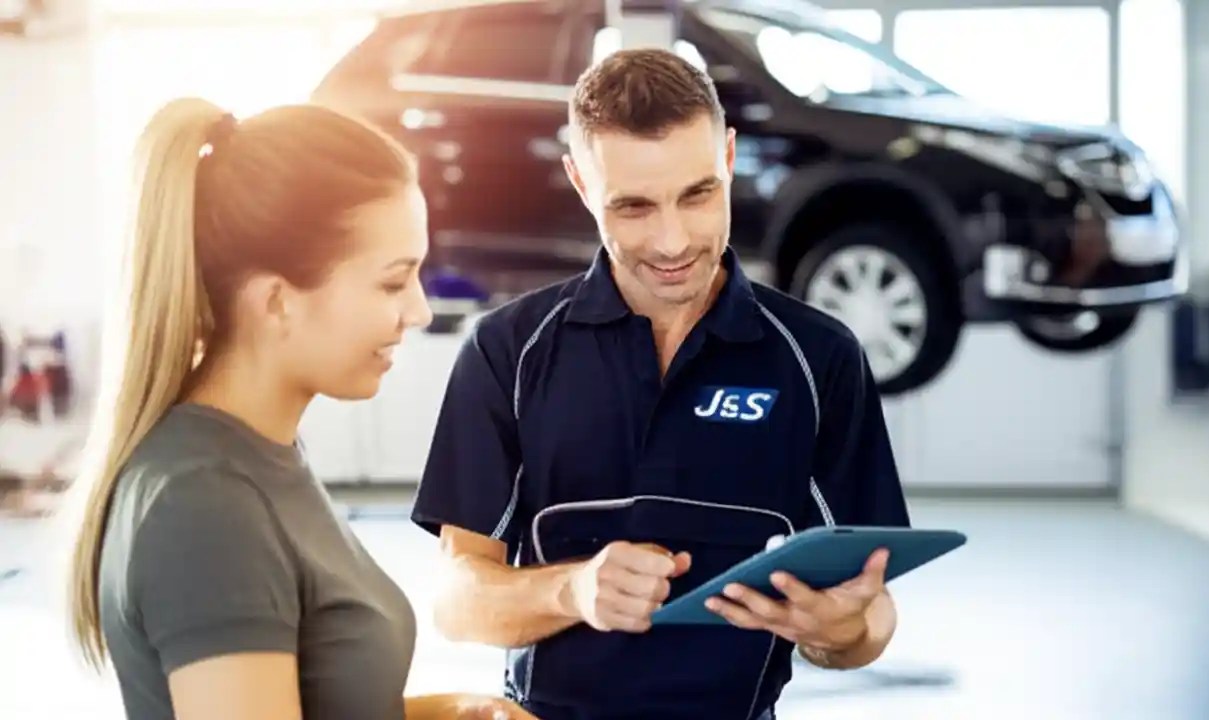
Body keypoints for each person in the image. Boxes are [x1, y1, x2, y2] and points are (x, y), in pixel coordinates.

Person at [412, 48, 911, 720]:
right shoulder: (507, 353)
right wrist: (573, 590)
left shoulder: (821, 359)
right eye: (634, 207)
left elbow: (873, 611)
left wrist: (842, 631)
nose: (673, 242)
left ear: (728, 157)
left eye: (698, 195)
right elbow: (456, 601)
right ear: (581, 183)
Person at [64, 97, 537, 720]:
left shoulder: (259, 455)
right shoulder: (205, 505)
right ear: (277, 302)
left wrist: (447, 711)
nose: (419, 311)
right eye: (392, 282)